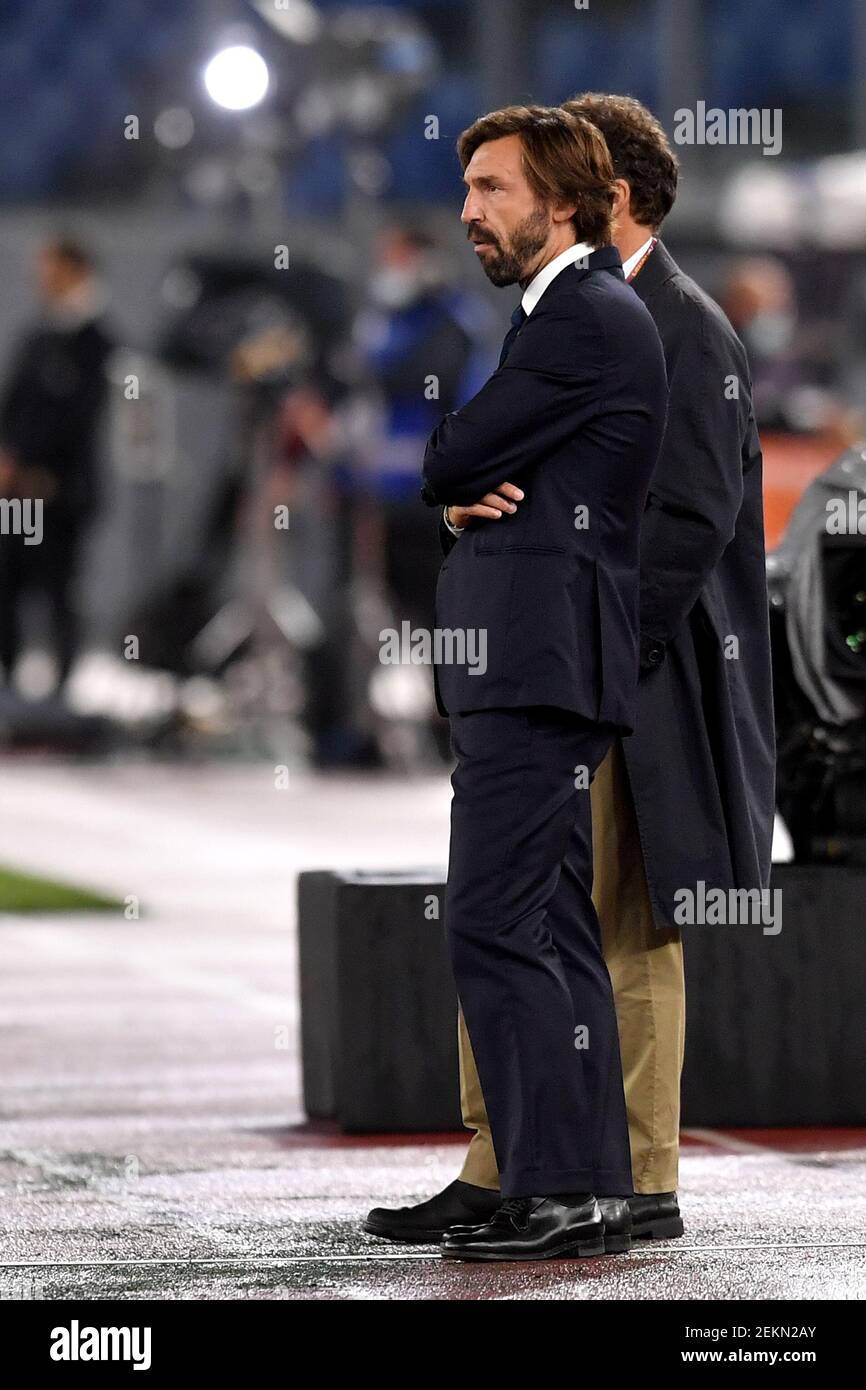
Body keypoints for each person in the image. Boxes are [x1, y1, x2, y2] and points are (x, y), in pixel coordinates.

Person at [368, 94, 776, 1249]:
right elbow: (492, 475)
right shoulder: (575, 307)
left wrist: (609, 651)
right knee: (530, 917)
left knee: (609, 930)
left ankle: (629, 1174)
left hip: (620, 675)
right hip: (567, 653)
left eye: (495, 188)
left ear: (605, 193)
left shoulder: (673, 322)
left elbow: (686, 519)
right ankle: (509, 1159)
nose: (470, 213)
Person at [0, 237, 113, 693]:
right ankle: (9, 680)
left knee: (59, 586)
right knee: (8, 581)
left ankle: (62, 687)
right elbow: (14, 407)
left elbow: (77, 416)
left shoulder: (97, 344)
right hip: (18, 493)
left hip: (60, 493)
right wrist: (9, 460)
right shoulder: (37, 338)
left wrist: (35, 461)